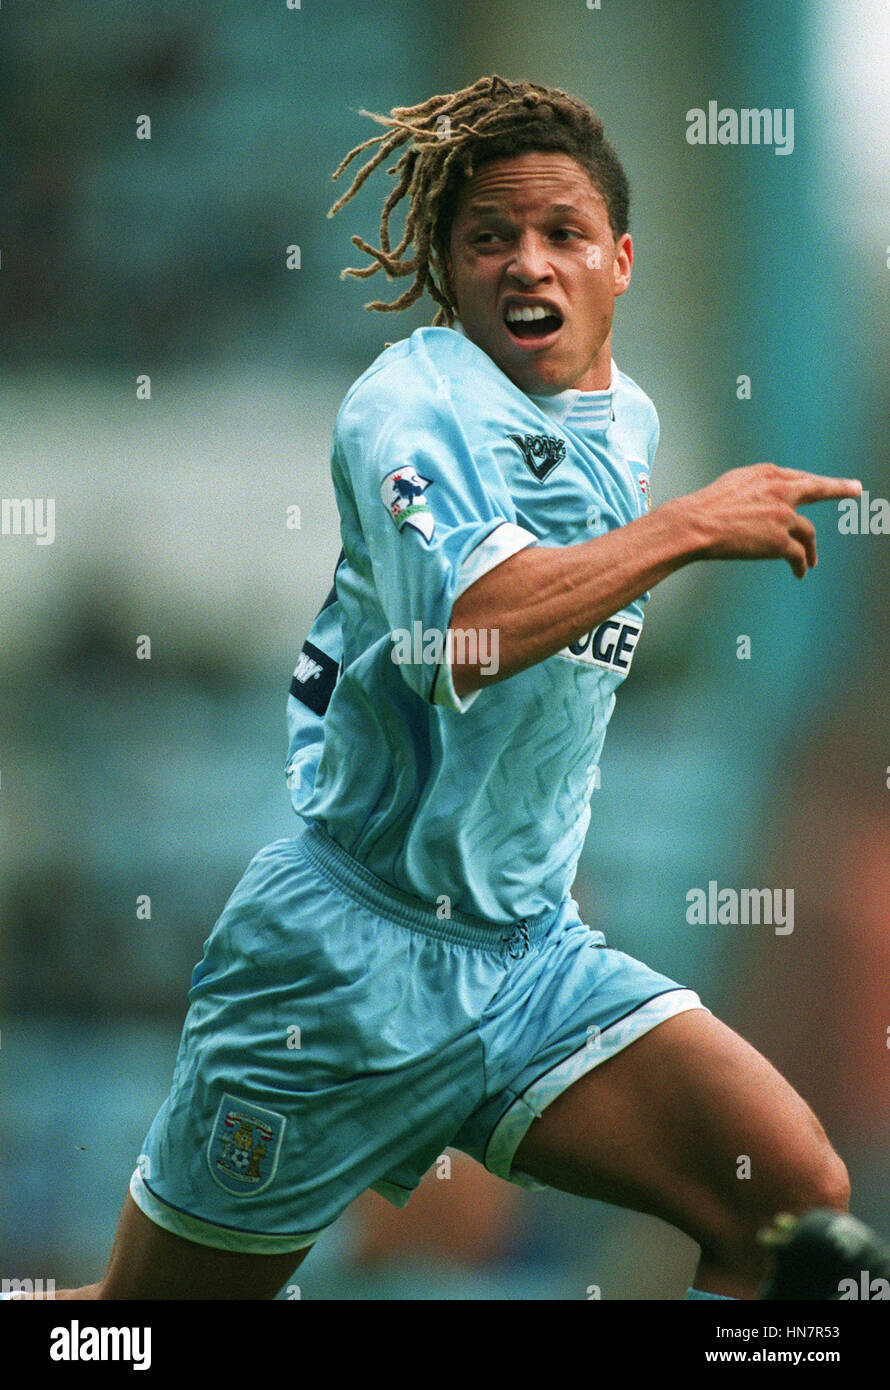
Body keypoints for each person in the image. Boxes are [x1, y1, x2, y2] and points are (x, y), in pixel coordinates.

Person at [53, 75, 860, 1300]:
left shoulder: (625, 422)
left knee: (792, 1203)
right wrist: (690, 526)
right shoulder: (408, 405)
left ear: (620, 260)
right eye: (489, 238)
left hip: (530, 962)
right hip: (338, 971)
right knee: (134, 1333)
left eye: (559, 234)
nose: (525, 264)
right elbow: (469, 637)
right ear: (450, 269)